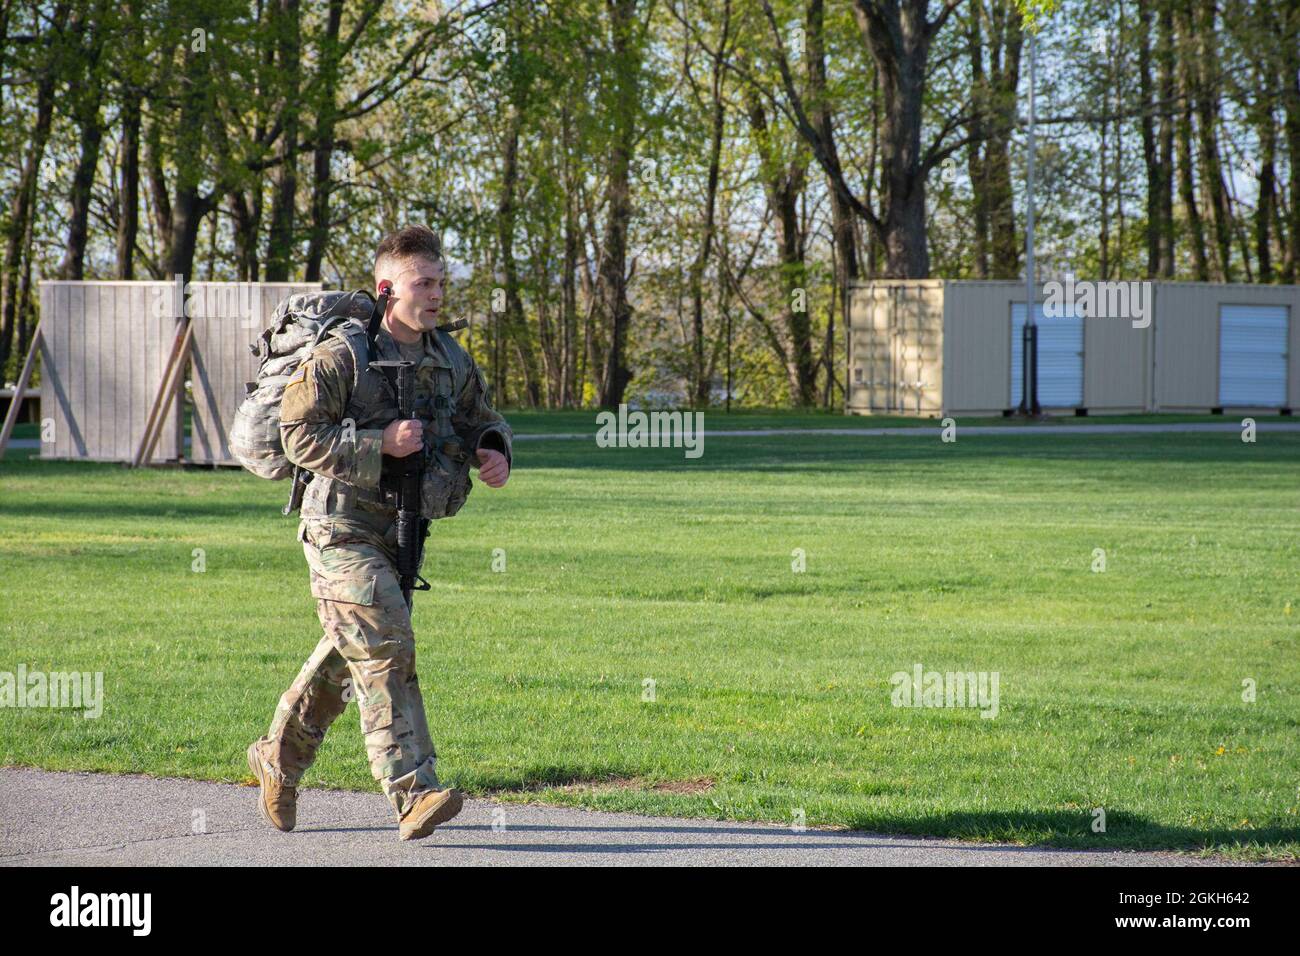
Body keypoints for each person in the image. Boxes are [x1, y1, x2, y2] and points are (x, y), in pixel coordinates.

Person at [247, 225, 512, 841]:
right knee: (386, 645)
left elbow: (483, 417)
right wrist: (378, 444)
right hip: (339, 527)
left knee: (351, 658)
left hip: (402, 531)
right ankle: (412, 791)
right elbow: (296, 434)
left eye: (442, 282)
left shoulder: (449, 357)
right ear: (388, 288)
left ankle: (276, 758)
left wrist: (493, 448)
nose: (438, 293)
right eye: (425, 282)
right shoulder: (344, 355)